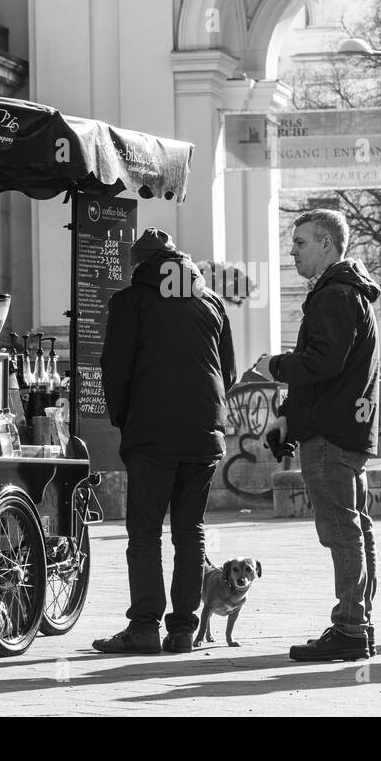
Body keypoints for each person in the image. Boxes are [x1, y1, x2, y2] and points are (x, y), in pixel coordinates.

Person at [93, 229, 237, 655]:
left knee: (145, 532)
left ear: (141, 265)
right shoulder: (211, 302)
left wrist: (124, 419)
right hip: (205, 432)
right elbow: (226, 371)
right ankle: (182, 630)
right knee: (190, 532)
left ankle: (143, 628)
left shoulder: (130, 301)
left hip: (152, 433)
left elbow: (114, 368)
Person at [257, 209, 381, 662]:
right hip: (344, 428)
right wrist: (288, 416)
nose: (292, 251)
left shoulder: (335, 295)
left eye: (301, 242)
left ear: (328, 244)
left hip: (331, 435)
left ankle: (350, 628)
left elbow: (321, 363)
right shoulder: (349, 292)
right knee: (356, 528)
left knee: (342, 531)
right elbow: (329, 370)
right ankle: (358, 621)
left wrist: (275, 366)